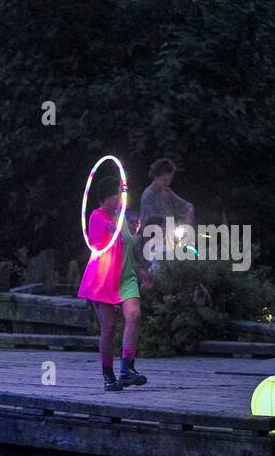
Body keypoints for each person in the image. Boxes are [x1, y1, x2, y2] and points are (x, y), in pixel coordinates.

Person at [79, 177, 150, 392]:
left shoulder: (123, 218)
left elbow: (131, 247)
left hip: (126, 278)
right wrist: (112, 228)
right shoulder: (97, 217)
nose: (120, 198)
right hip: (103, 279)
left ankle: (127, 368)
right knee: (108, 328)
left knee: (134, 315)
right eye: (116, 194)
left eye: (121, 194)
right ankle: (108, 374)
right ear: (106, 198)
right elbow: (95, 242)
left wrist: (143, 270)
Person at [139, 158, 193, 231]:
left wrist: (188, 216)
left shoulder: (167, 191)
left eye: (170, 179)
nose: (168, 183)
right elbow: (147, 223)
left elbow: (185, 206)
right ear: (155, 176)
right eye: (164, 180)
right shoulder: (148, 196)